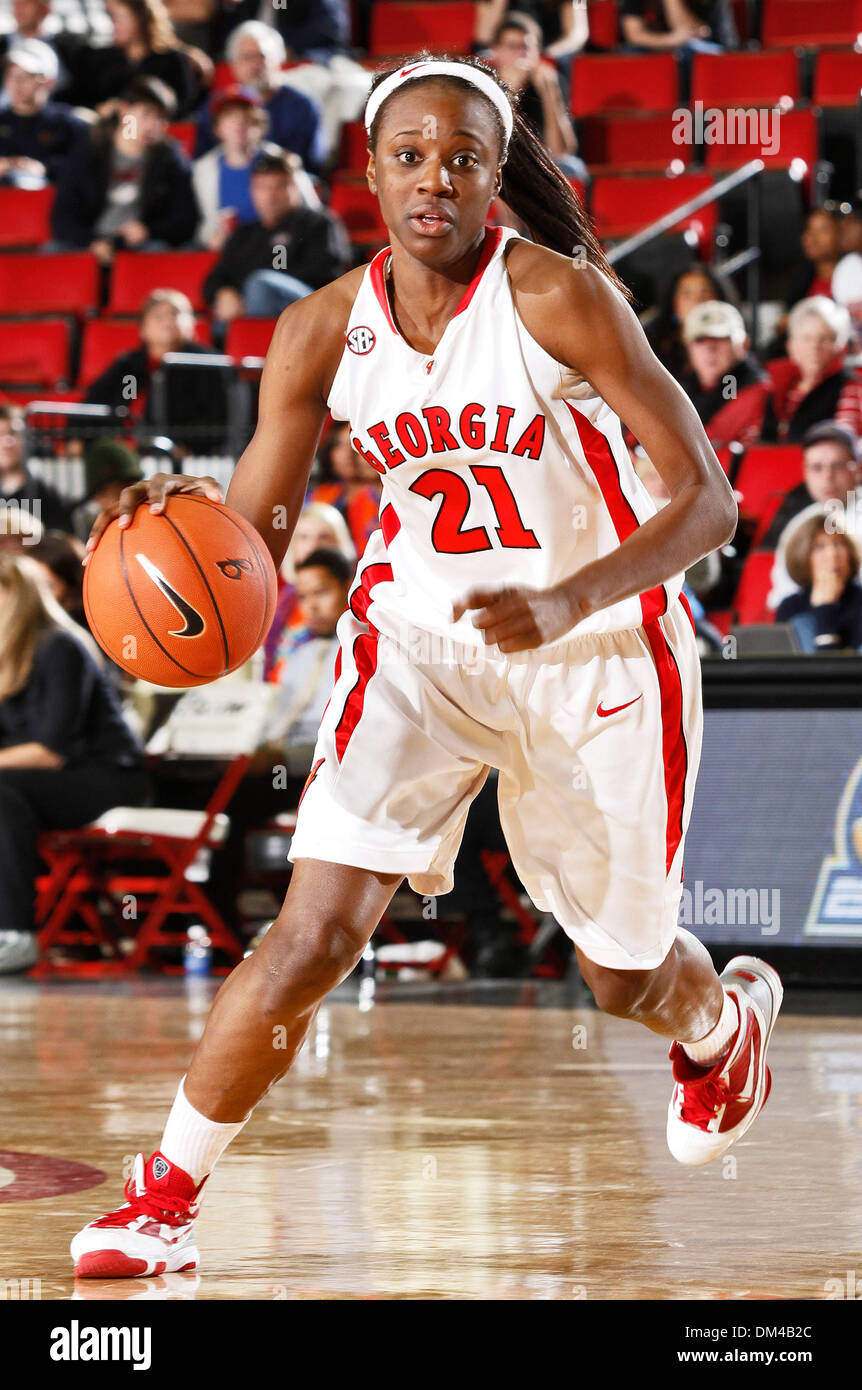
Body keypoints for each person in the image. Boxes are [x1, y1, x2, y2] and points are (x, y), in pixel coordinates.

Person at [72, 53, 782, 1279]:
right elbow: (249, 554)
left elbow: (710, 503)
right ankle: (163, 1197)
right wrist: (164, 540)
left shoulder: (558, 298)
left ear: (494, 174)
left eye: (462, 157)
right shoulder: (314, 332)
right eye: (409, 156)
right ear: (369, 169)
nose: (434, 180)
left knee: (620, 977)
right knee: (308, 936)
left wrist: (567, 593)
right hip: (415, 654)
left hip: (599, 647)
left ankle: (722, 1027)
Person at [0, 553, 150, 974]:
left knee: (2, 796)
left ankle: (14, 933)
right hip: (40, 784)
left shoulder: (60, 646)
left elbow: (51, 750)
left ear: (18, 600)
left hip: (106, 778)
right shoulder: (7, 656)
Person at [50, 76, 199, 257]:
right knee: (53, 252)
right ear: (124, 111)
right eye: (146, 114)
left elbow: (185, 217)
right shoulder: (90, 151)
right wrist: (91, 243)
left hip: (140, 246)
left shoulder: (170, 158)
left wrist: (149, 230)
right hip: (91, 242)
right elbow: (63, 216)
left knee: (157, 251)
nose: (153, 125)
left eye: (161, 118)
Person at [202, 151, 351, 330]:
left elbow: (328, 276)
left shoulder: (319, 223)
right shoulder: (244, 232)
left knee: (261, 284)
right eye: (262, 187)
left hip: (310, 311)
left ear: (294, 188)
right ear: (252, 191)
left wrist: (250, 296)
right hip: (247, 311)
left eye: (279, 186)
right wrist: (223, 293)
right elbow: (214, 279)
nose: (270, 195)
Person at [84, 291, 229, 452]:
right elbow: (98, 402)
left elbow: (215, 420)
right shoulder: (129, 367)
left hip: (185, 458)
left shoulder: (204, 364)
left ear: (191, 325)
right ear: (143, 329)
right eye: (158, 316)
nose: (167, 321)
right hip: (128, 451)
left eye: (174, 315)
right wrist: (77, 440)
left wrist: (188, 447)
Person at [193, 21, 325, 173]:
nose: (255, 64)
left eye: (262, 56)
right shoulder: (216, 106)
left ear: (279, 61)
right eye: (247, 57)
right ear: (233, 65)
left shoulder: (303, 106)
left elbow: (310, 166)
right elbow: (202, 163)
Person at [487, 11, 586, 184]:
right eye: (512, 46)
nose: (521, 54)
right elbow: (490, 148)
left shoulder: (549, 82)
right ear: (496, 50)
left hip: (541, 163)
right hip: (502, 165)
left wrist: (550, 94)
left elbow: (562, 151)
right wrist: (510, 94)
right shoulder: (487, 84)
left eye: (527, 48)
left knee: (572, 167)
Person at [263, 500, 356, 681]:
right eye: (304, 537)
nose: (313, 545)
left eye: (323, 537)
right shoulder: (282, 597)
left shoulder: (358, 594)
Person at [62, 0, 202, 118]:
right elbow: (79, 98)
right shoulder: (103, 59)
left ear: (139, 19)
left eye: (117, 18)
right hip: (107, 136)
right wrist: (101, 108)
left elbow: (184, 107)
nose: (112, 25)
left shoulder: (171, 59)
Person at [192, 85, 279, 251]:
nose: (239, 124)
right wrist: (211, 239)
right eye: (230, 117)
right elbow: (202, 225)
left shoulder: (281, 161)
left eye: (247, 118)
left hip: (275, 249)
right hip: (226, 252)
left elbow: (308, 213)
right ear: (218, 127)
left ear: (260, 126)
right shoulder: (202, 169)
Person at [759, 296, 855, 444]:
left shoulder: (850, 387)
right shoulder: (775, 385)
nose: (815, 346)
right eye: (807, 338)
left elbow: (844, 444)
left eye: (825, 339)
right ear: (791, 346)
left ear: (840, 347)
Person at [678, 300, 768, 448]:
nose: (709, 347)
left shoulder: (755, 387)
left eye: (720, 337)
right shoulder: (686, 387)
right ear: (688, 348)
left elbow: (714, 441)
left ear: (743, 344)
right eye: (700, 339)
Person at [0, 38, 89, 187]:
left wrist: (45, 169)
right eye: (10, 75)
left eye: (25, 77)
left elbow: (84, 168)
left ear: (48, 81)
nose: (15, 84)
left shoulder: (70, 125)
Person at [761, 422, 859, 551]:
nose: (827, 476)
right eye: (817, 468)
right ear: (805, 473)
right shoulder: (799, 523)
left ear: (858, 471)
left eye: (837, 466)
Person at [775, 516, 862, 652]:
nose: (832, 554)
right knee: (801, 623)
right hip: (806, 673)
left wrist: (825, 609)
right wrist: (825, 608)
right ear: (802, 555)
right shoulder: (791, 607)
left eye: (838, 544)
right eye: (819, 547)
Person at [645, 264, 737, 382]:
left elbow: (731, 389)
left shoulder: (730, 340)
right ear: (674, 302)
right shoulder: (655, 347)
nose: (696, 300)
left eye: (705, 292)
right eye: (687, 294)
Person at [306, 420, 382, 558]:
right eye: (338, 445)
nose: (348, 453)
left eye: (353, 445)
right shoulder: (320, 495)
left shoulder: (380, 493)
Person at [0, 405, 71, 534]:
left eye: (12, 433)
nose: (6, 442)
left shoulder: (46, 493)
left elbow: (61, 541)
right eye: (0, 435)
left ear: (26, 438)